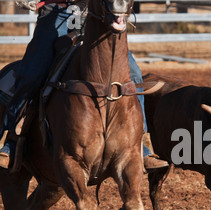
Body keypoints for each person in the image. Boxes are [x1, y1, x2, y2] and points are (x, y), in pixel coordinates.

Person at [0, 1, 168, 170]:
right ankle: (11, 139)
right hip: (57, 13)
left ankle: (140, 145)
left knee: (134, 74)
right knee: (32, 73)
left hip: (96, 14)